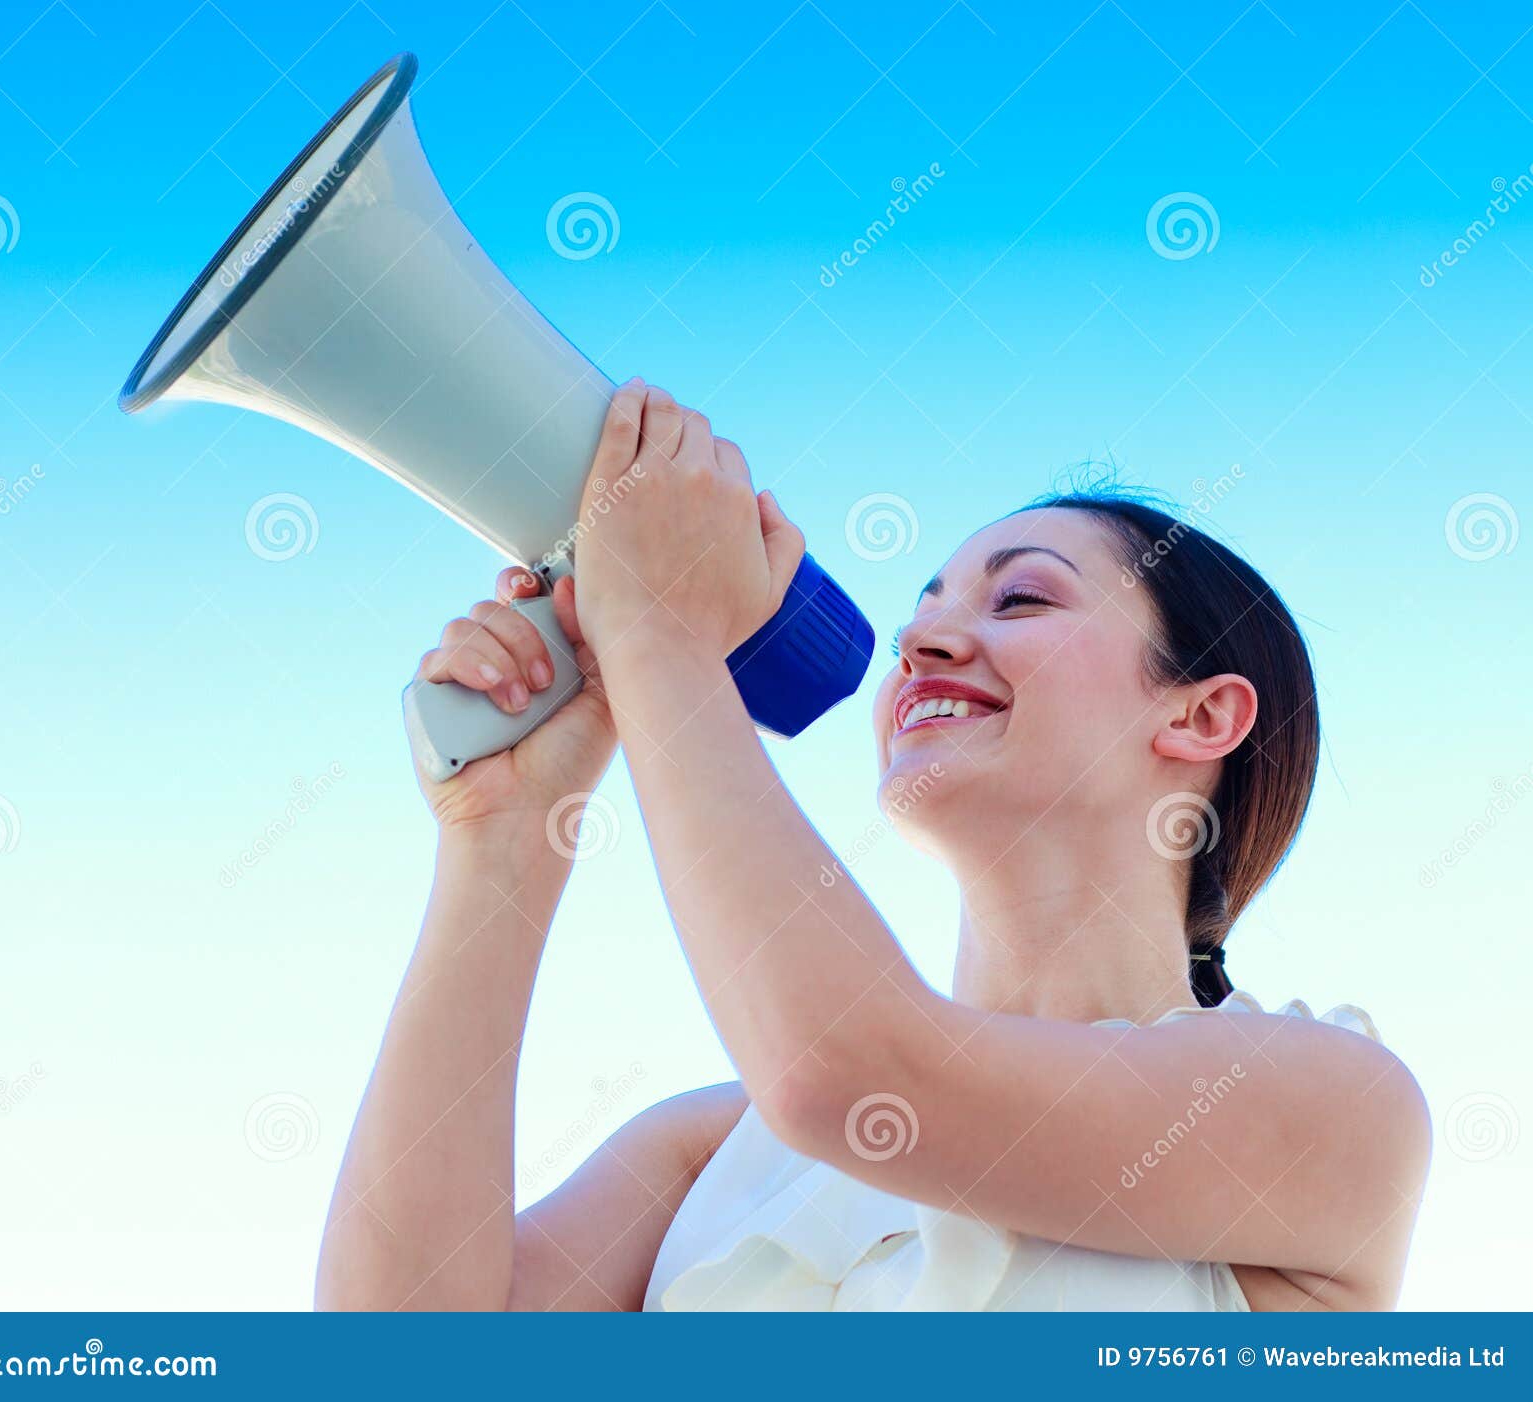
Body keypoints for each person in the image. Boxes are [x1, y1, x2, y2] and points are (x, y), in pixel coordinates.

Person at [314, 379, 1430, 1312]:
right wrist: (506, 839)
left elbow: (857, 1076)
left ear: (1201, 716)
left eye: (1021, 600)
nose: (925, 640)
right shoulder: (709, 1151)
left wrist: (657, 628)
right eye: (918, 617)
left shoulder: (1335, 1106)